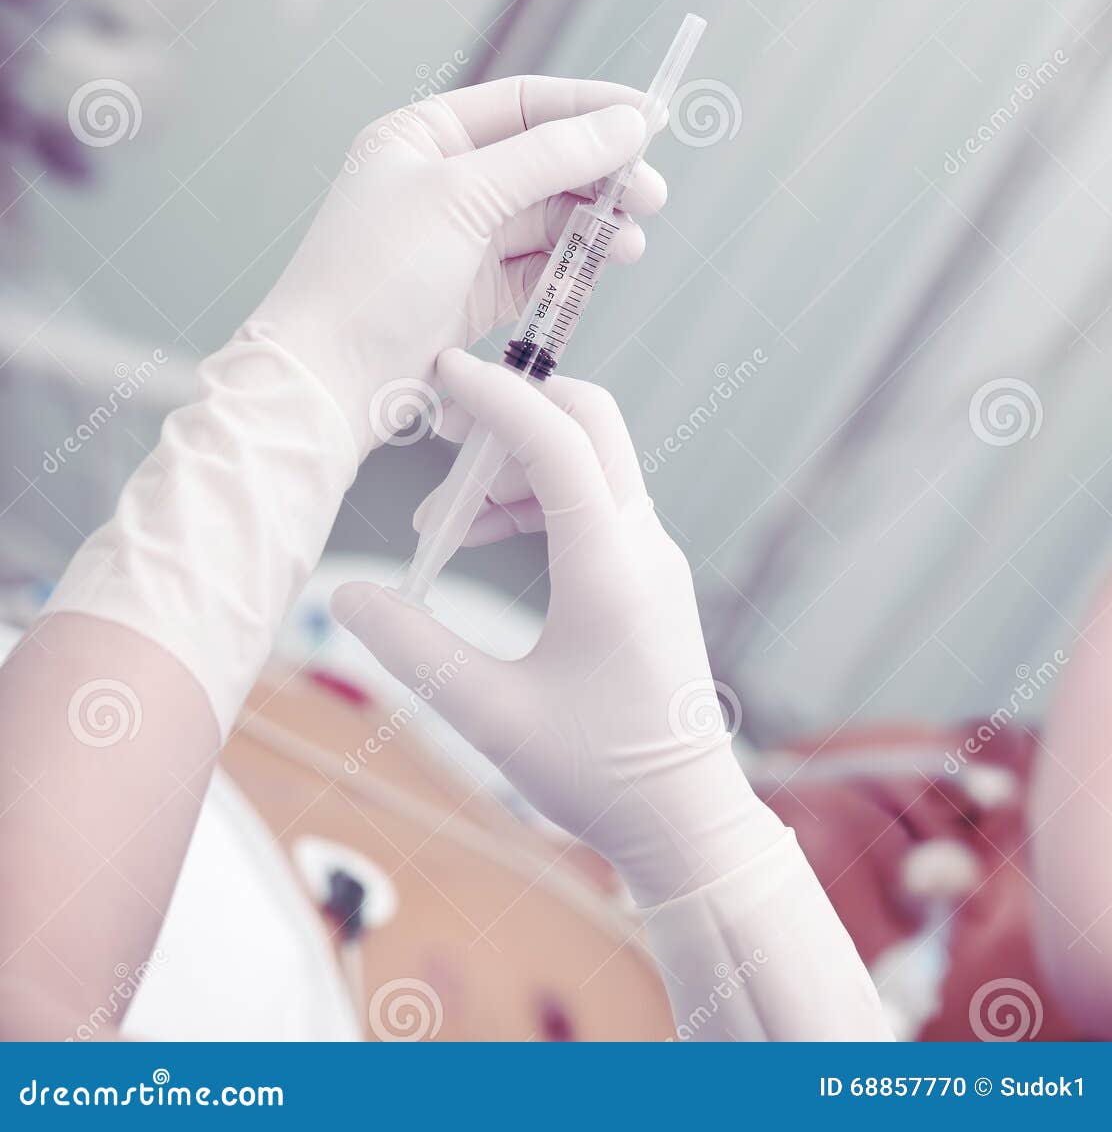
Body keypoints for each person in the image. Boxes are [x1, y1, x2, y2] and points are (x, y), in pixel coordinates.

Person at [0, 78, 890, 1042]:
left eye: (977, 833)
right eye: (975, 780)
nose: (959, 803)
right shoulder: (500, 791)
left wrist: (310, 380)